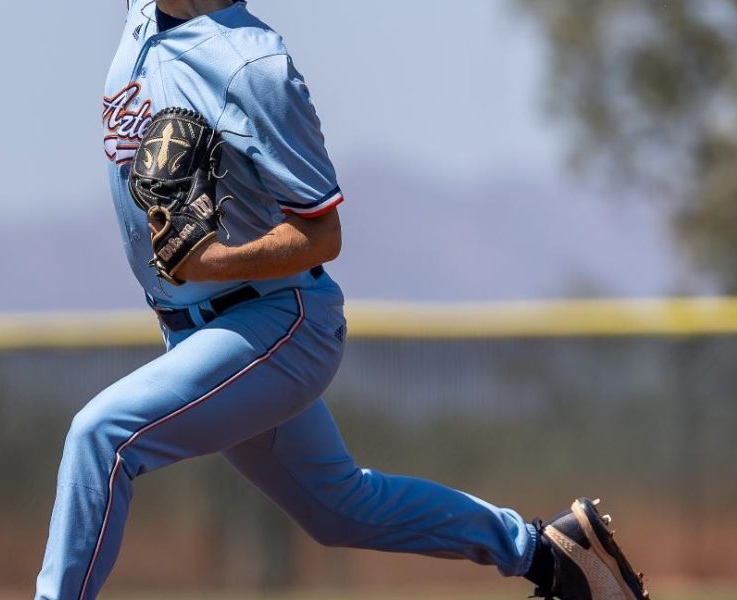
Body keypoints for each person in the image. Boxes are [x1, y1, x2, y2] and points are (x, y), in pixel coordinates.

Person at [36, 2, 649, 599]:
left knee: (104, 436)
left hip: (277, 322)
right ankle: (551, 554)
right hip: (195, 331)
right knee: (339, 508)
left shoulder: (253, 67)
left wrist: (214, 260)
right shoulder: (144, 18)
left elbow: (321, 234)